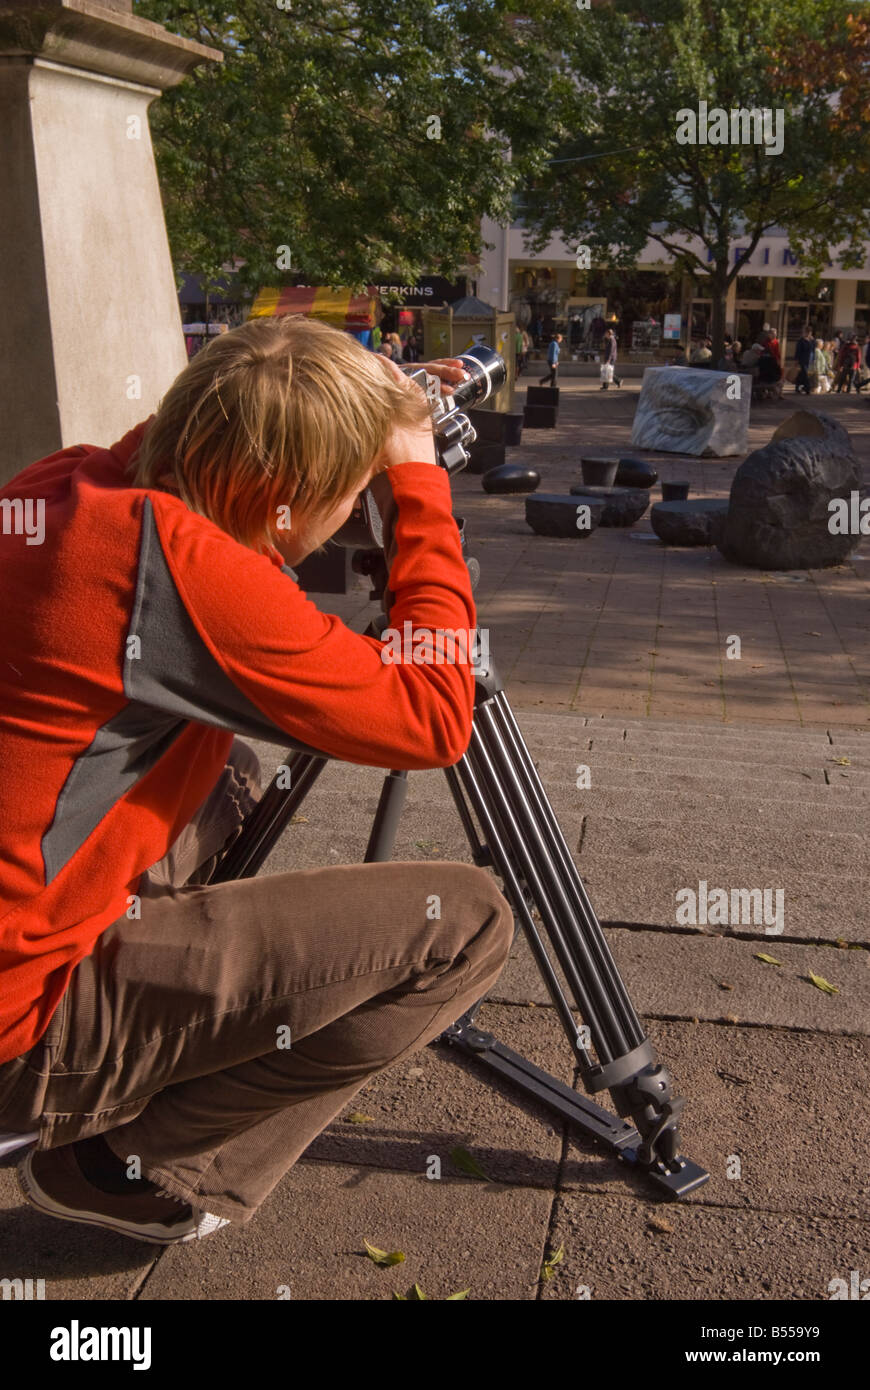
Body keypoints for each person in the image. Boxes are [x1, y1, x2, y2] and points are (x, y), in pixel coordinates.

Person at [0, 316, 514, 1245]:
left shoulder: (69, 481)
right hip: (15, 1030)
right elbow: (435, 714)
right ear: (288, 491)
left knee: (227, 768)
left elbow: (193, 441)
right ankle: (127, 1166)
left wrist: (327, 395)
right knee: (464, 925)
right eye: (345, 488)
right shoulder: (187, 577)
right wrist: (418, 492)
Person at [794, 328, 815, 395]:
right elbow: (798, 351)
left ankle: (797, 386)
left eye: (810, 333)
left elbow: (813, 350)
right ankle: (807, 389)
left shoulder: (811, 341)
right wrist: (796, 360)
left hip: (809, 360)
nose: (808, 334)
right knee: (805, 374)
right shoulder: (801, 341)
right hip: (803, 359)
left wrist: (813, 359)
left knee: (802, 374)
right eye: (807, 332)